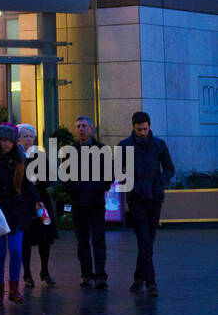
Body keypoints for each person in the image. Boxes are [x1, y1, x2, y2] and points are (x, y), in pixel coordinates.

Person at [0, 123, 41, 305]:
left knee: (15, 250)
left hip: (16, 211)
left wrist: (37, 200)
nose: (6, 144)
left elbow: (28, 184)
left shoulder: (20, 160)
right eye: (3, 141)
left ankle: (14, 288)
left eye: (10, 141)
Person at [119, 111, 174, 297]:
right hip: (137, 199)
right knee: (145, 240)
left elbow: (169, 168)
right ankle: (150, 282)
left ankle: (139, 279)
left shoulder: (159, 145)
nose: (143, 132)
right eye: (139, 129)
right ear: (133, 127)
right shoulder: (124, 146)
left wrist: (160, 182)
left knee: (147, 241)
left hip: (154, 197)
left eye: (145, 129)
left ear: (149, 126)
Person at [68, 115, 113, 289]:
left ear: (91, 129)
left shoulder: (102, 150)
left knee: (98, 240)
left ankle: (101, 275)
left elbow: (109, 174)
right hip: (78, 203)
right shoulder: (71, 151)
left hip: (95, 203)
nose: (81, 129)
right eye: (78, 126)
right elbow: (65, 177)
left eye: (84, 126)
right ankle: (86, 274)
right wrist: (73, 191)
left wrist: (99, 187)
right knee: (82, 241)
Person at [18, 124, 59, 287]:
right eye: (25, 136)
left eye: (31, 136)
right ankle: (27, 273)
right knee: (26, 240)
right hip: (24, 203)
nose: (29, 139)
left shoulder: (39, 155)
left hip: (41, 200)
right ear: (19, 139)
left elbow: (49, 177)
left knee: (45, 238)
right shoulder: (17, 157)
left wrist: (38, 181)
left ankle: (45, 270)